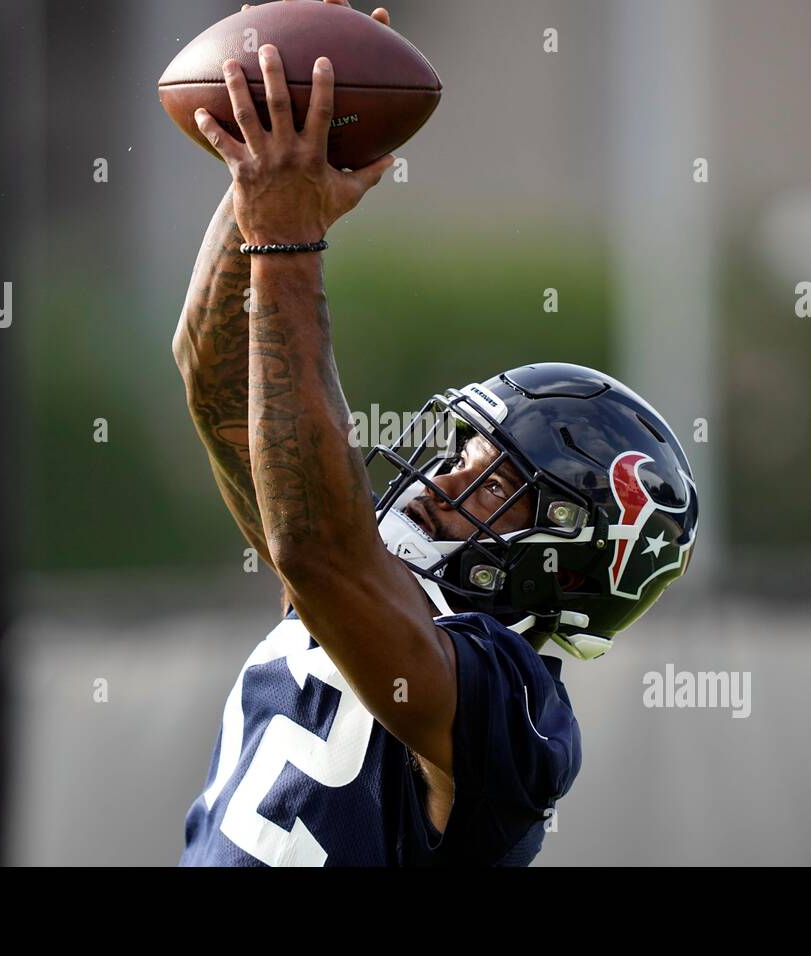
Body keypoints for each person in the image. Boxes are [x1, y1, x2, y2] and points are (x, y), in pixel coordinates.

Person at [172, 1, 698, 866]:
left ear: (561, 558)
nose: (443, 480)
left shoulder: (511, 710)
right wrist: (268, 167)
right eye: (462, 452)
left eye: (494, 481)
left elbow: (313, 547)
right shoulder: (364, 576)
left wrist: (289, 237)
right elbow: (214, 372)